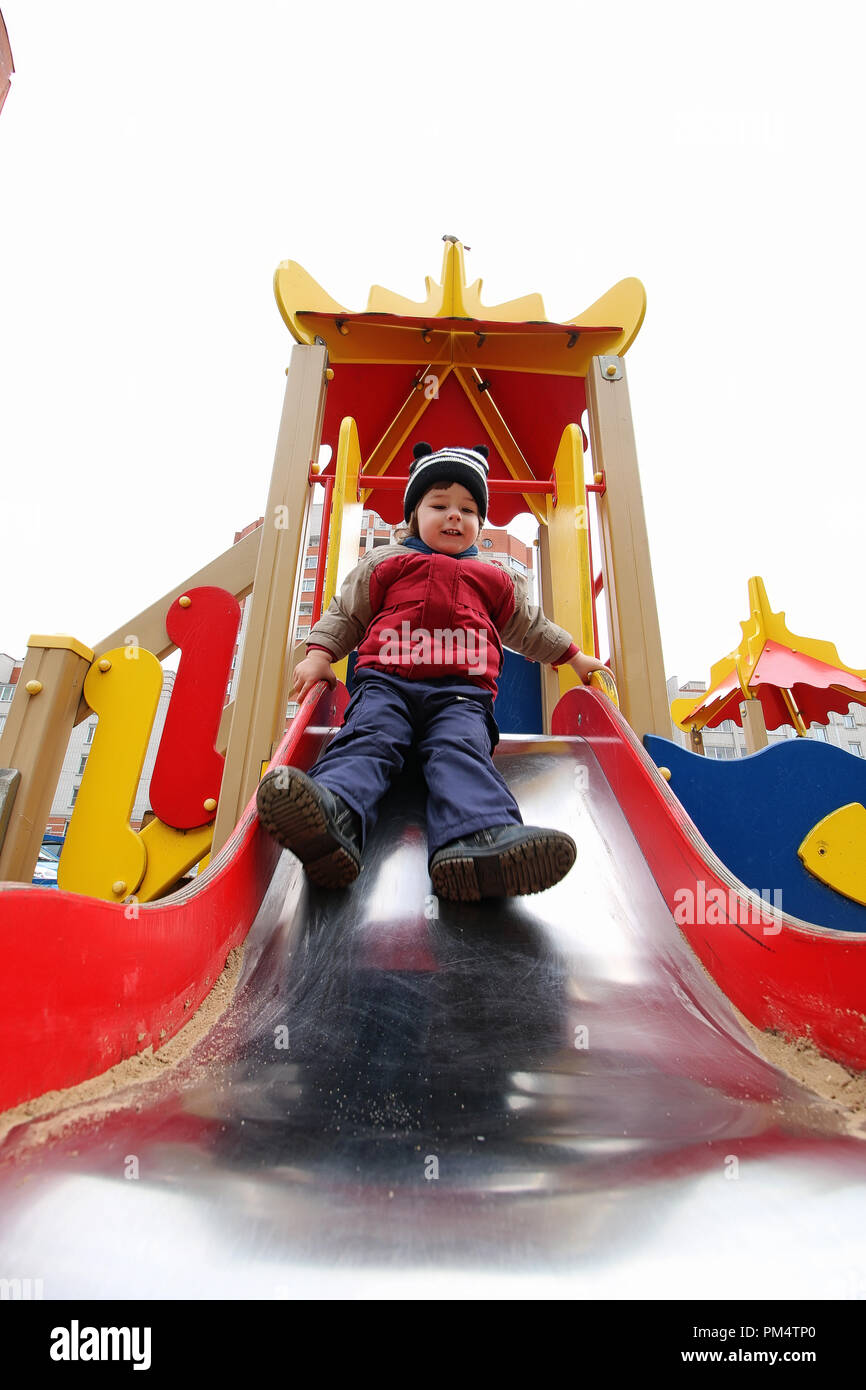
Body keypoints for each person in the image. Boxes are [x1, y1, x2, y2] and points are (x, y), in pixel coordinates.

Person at [256, 442, 605, 900]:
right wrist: (321, 652)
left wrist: (572, 656)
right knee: (368, 737)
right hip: (386, 686)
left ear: (480, 523)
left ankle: (477, 841)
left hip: (461, 696)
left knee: (461, 750)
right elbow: (347, 612)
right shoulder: (386, 563)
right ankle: (332, 818)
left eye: (468, 509)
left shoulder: (495, 578)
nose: (454, 516)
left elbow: (529, 626)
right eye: (439, 505)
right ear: (413, 516)